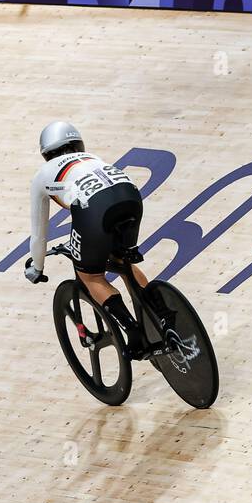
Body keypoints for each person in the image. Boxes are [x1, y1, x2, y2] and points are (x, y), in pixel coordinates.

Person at [24, 122, 153, 358]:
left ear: (46, 153)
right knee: (122, 261)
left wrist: (37, 267)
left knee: (91, 275)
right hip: (131, 197)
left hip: (96, 208)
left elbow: (39, 234)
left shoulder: (42, 176)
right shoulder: (92, 157)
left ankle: (132, 329)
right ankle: (160, 313)